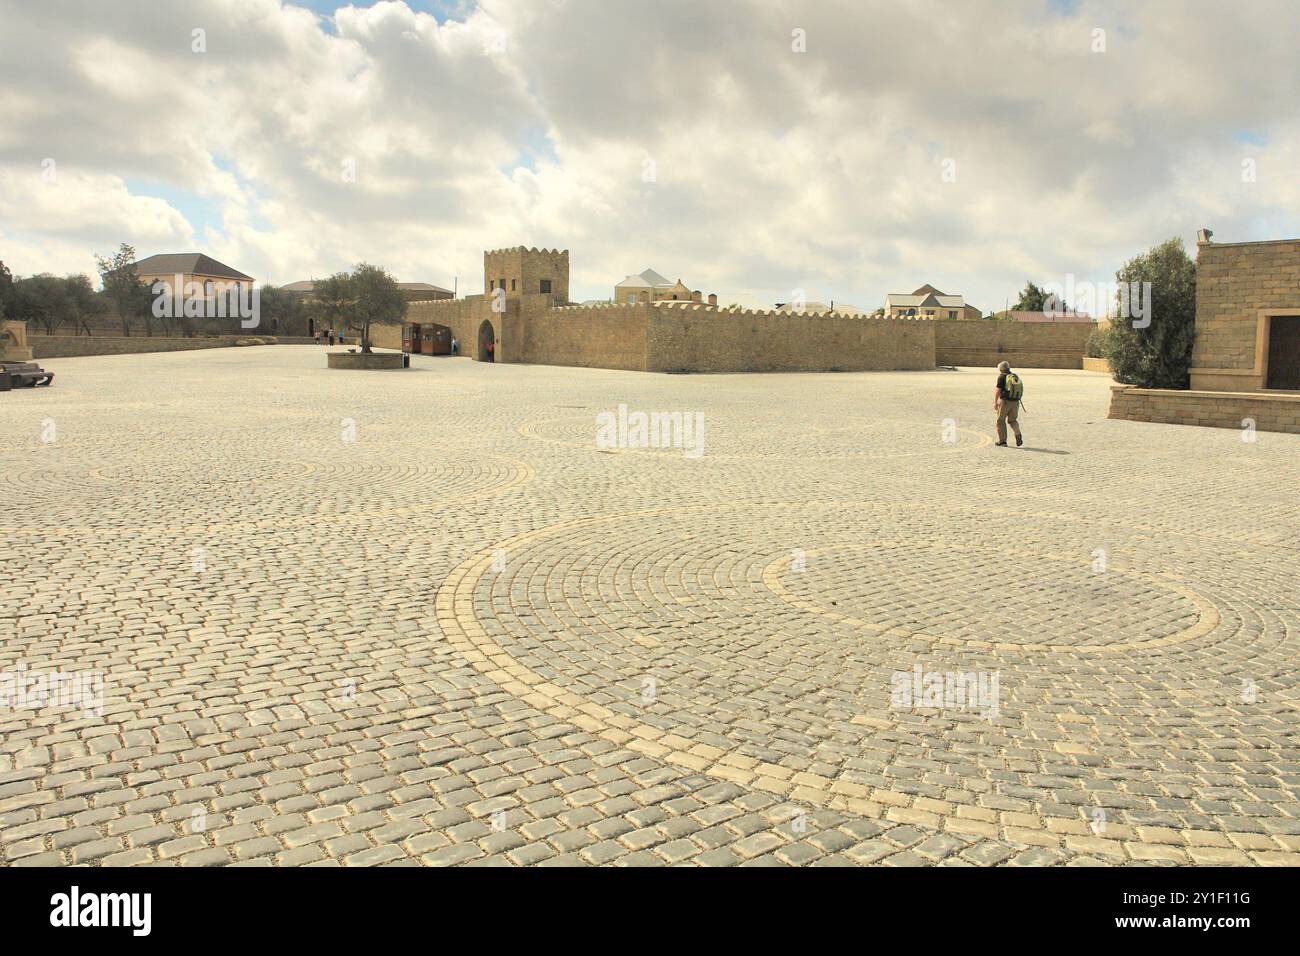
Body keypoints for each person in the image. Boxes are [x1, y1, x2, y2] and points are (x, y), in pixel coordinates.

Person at [993, 360, 1023, 447]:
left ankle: (1002, 441)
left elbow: (998, 390)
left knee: (1000, 421)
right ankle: (1018, 434)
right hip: (1016, 402)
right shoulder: (1015, 376)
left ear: (1001, 369)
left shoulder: (1002, 377)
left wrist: (995, 402)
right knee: (1012, 420)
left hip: (1005, 402)